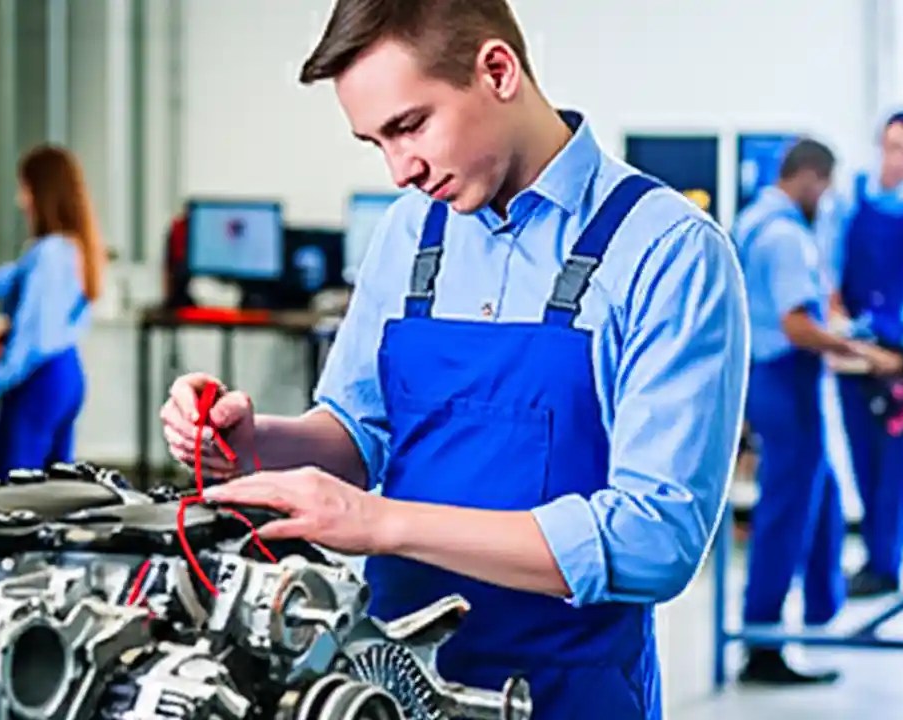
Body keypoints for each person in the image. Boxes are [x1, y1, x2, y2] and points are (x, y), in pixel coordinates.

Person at [159, 2, 749, 716]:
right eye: (375, 141)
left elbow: (657, 538)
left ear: (498, 71)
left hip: (567, 693)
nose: (399, 168)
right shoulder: (411, 229)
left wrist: (382, 522)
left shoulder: (668, 251)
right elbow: (360, 430)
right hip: (389, 689)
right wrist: (256, 443)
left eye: (410, 126)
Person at [731, 139, 894, 685]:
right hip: (785, 379)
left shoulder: (752, 219)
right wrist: (867, 353)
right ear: (809, 177)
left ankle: (824, 606)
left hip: (767, 376)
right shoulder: (784, 235)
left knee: (819, 490)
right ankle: (763, 642)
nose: (824, 198)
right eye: (823, 187)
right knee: (786, 507)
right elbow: (798, 325)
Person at [826, 110, 903, 598]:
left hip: (897, 357)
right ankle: (874, 555)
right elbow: (830, 265)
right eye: (890, 147)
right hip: (853, 350)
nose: (895, 158)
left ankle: (885, 562)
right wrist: (842, 324)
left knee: (895, 463)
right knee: (862, 458)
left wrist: (901, 348)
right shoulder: (852, 198)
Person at [0, 144, 105, 479]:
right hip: (66, 375)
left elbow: (34, 332)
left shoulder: (49, 254)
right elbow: (10, 285)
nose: (20, 201)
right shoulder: (71, 248)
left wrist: (1, 377)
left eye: (24, 189)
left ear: (43, 192)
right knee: (51, 492)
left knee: (13, 494)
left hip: (39, 379)